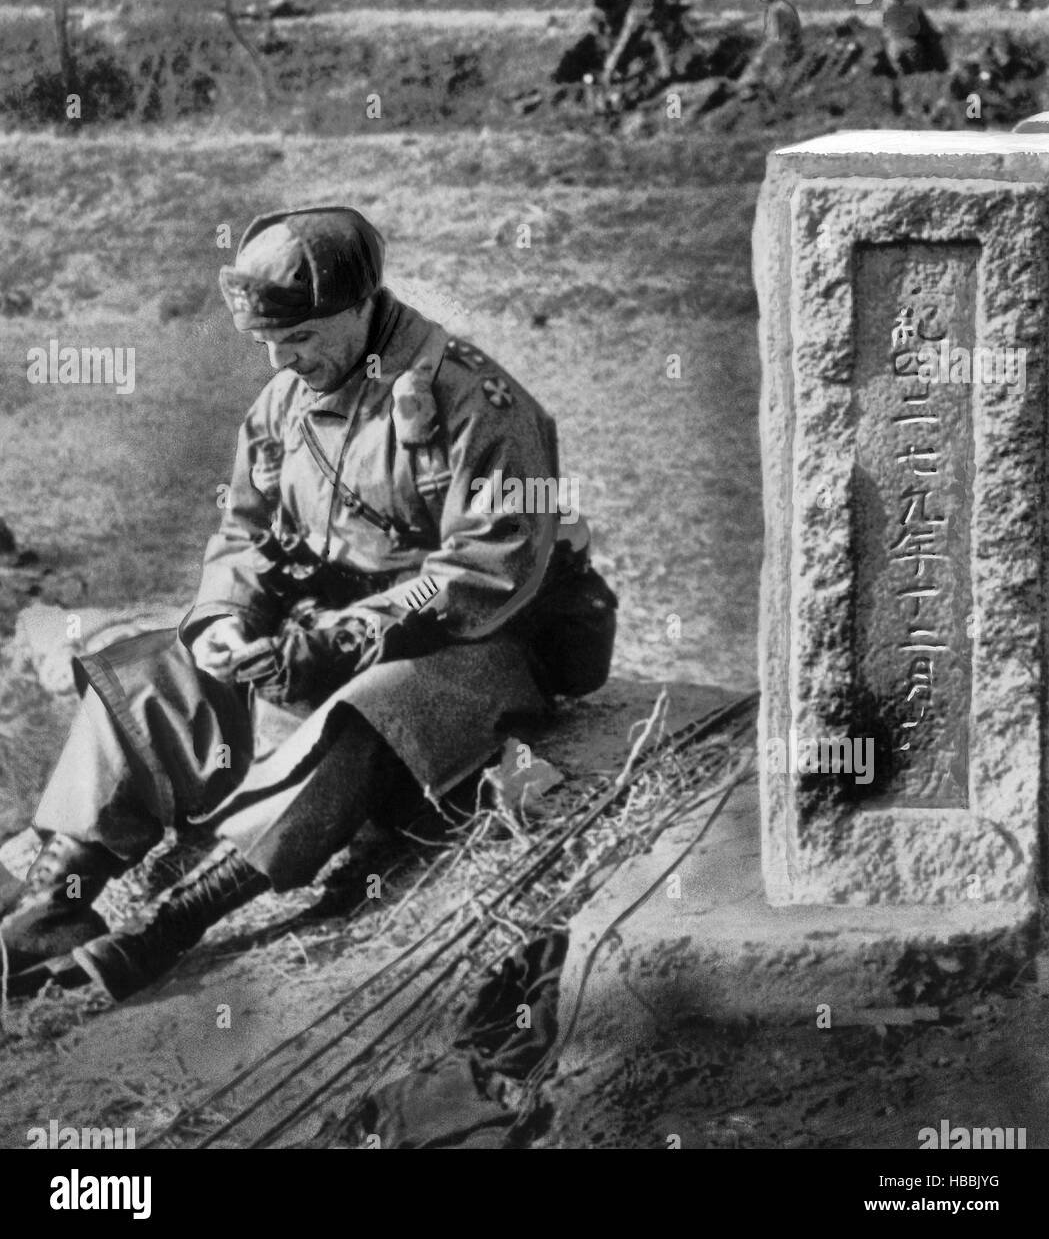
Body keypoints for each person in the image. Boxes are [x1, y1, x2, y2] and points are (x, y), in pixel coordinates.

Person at [0, 206, 617, 1003]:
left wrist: (347, 637)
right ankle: (59, 904)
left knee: (373, 709)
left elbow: (481, 569)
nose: (282, 360)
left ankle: (176, 922)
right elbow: (245, 534)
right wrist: (225, 621)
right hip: (320, 633)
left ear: (362, 307)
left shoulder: (478, 404)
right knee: (150, 674)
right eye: (266, 343)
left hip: (473, 645)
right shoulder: (284, 403)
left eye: (300, 339)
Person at [880, 0, 943, 76]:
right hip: (912, 47)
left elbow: (885, 36)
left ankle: (903, 73)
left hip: (893, 50)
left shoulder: (885, 15)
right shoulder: (914, 10)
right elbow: (927, 30)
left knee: (903, 71)